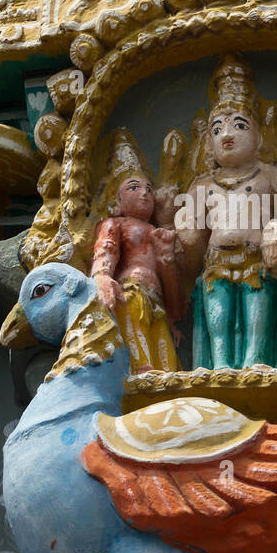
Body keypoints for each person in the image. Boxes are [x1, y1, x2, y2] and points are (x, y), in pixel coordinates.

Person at [172, 55, 277, 369]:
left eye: (239, 126)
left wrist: (275, 236)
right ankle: (221, 367)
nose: (226, 134)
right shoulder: (203, 183)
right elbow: (190, 230)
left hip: (258, 260)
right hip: (216, 263)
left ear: (259, 137)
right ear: (208, 142)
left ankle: (257, 364)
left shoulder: (271, 175)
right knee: (218, 321)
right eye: (217, 130)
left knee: (258, 321)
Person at [91, 130, 183, 373]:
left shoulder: (158, 232)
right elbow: (105, 250)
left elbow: (175, 298)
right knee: (138, 349)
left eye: (149, 189)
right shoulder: (114, 224)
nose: (144, 193)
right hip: (130, 294)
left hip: (157, 301)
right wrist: (101, 277)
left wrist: (167, 258)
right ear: (116, 201)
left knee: (167, 361)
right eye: (134, 187)